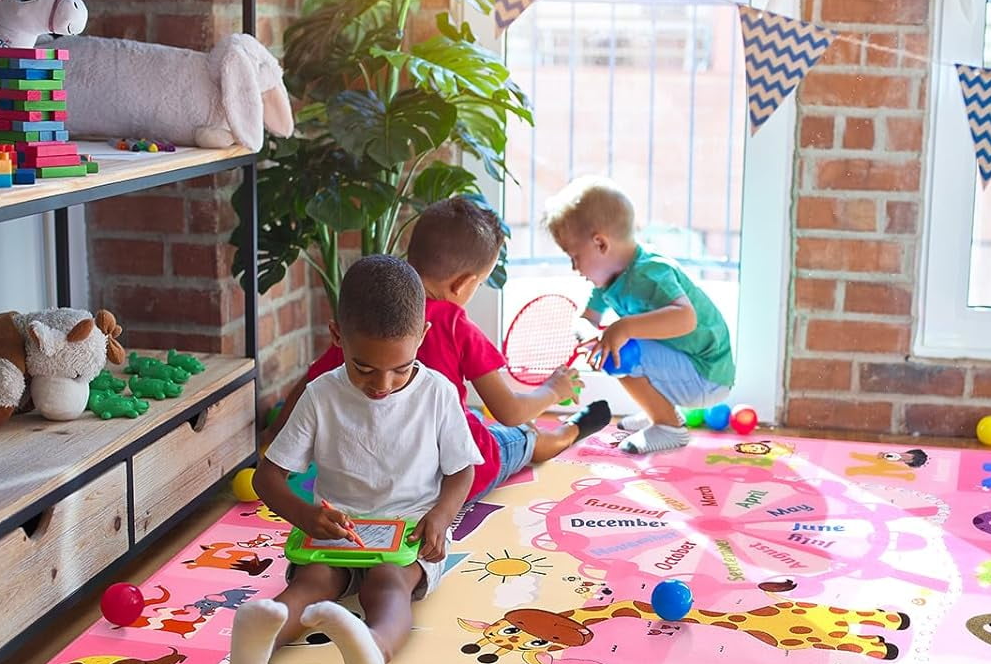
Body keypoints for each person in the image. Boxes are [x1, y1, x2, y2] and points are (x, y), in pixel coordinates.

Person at [234, 255, 479, 664]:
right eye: (363, 367)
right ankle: (260, 641)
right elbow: (266, 478)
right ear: (337, 337)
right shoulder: (320, 395)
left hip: (409, 530)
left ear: (422, 337)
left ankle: (374, 646)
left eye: (400, 368)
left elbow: (461, 473)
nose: (381, 384)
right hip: (336, 527)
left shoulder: (438, 394)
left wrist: (440, 517)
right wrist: (306, 516)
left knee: (387, 586)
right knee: (312, 583)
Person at [268, 197, 610, 500]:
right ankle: (569, 432)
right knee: (522, 436)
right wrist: (553, 390)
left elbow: (310, 383)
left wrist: (271, 439)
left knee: (470, 417)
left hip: (387, 483)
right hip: (452, 478)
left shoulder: (369, 325)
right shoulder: (455, 324)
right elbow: (510, 410)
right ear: (463, 284)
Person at [543, 176, 734, 454]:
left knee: (621, 352)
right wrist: (593, 336)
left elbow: (686, 318)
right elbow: (587, 318)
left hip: (707, 375)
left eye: (575, 256)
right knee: (616, 347)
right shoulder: (608, 279)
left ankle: (668, 426)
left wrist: (624, 328)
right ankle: (661, 411)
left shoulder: (651, 272)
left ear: (600, 244)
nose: (574, 267)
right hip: (686, 368)